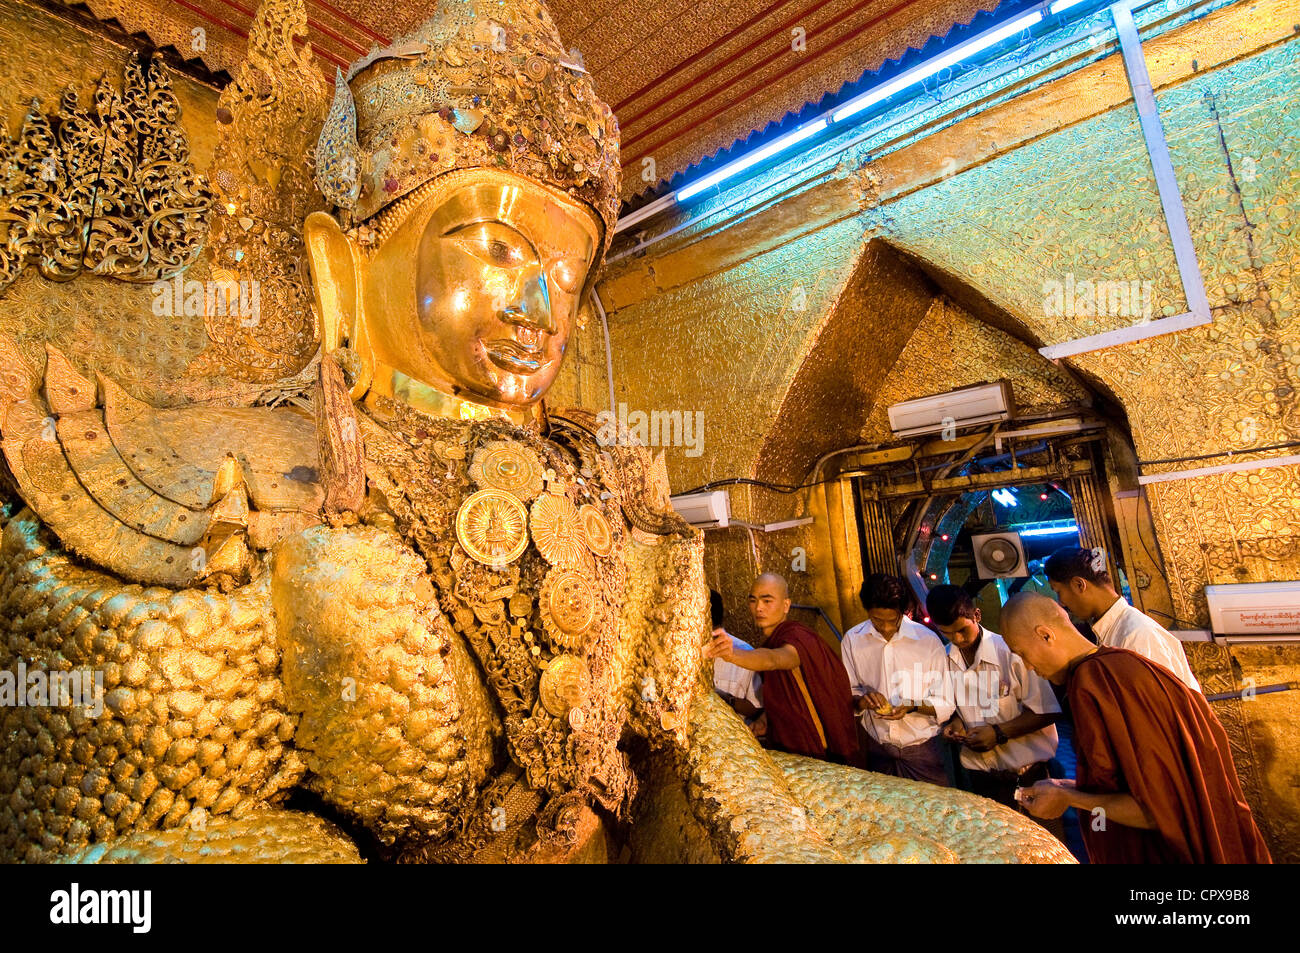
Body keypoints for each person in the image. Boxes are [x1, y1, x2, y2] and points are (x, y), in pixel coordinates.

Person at [1002, 593, 1271, 863]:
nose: (1028, 667)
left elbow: (1158, 809)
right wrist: (1070, 787)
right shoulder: (1125, 663)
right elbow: (1144, 781)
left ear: (1046, 635)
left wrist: (1069, 797)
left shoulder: (1097, 681)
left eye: (1023, 655)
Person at [927, 585, 1060, 810]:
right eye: (946, 633)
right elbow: (962, 711)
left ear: (977, 615)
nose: (957, 639)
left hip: (1028, 777)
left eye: (962, 630)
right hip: (982, 780)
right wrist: (956, 725)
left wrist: (998, 733)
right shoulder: (944, 660)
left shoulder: (1011, 652)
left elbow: (1047, 711)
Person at [704, 574, 859, 764]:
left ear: (786, 605)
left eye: (767, 600)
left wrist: (732, 655)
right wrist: (765, 721)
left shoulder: (796, 638)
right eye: (753, 600)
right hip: (789, 749)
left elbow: (774, 660)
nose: (759, 608)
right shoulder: (771, 642)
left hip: (818, 752)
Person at [841, 574, 953, 785]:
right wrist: (863, 701)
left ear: (903, 612)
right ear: (867, 611)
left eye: (892, 621)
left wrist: (912, 706)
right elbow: (850, 690)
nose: (885, 627)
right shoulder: (852, 639)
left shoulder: (927, 641)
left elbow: (946, 702)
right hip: (878, 747)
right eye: (876, 620)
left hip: (923, 748)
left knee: (934, 809)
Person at [1044, 546, 1201, 692]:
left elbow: (1158, 708)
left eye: (1058, 591)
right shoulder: (1112, 630)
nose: (1061, 602)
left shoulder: (1136, 635)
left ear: (1079, 585)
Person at [708, 590, 763, 729]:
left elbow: (755, 707)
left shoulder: (746, 654)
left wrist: (727, 700)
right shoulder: (676, 652)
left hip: (731, 740)